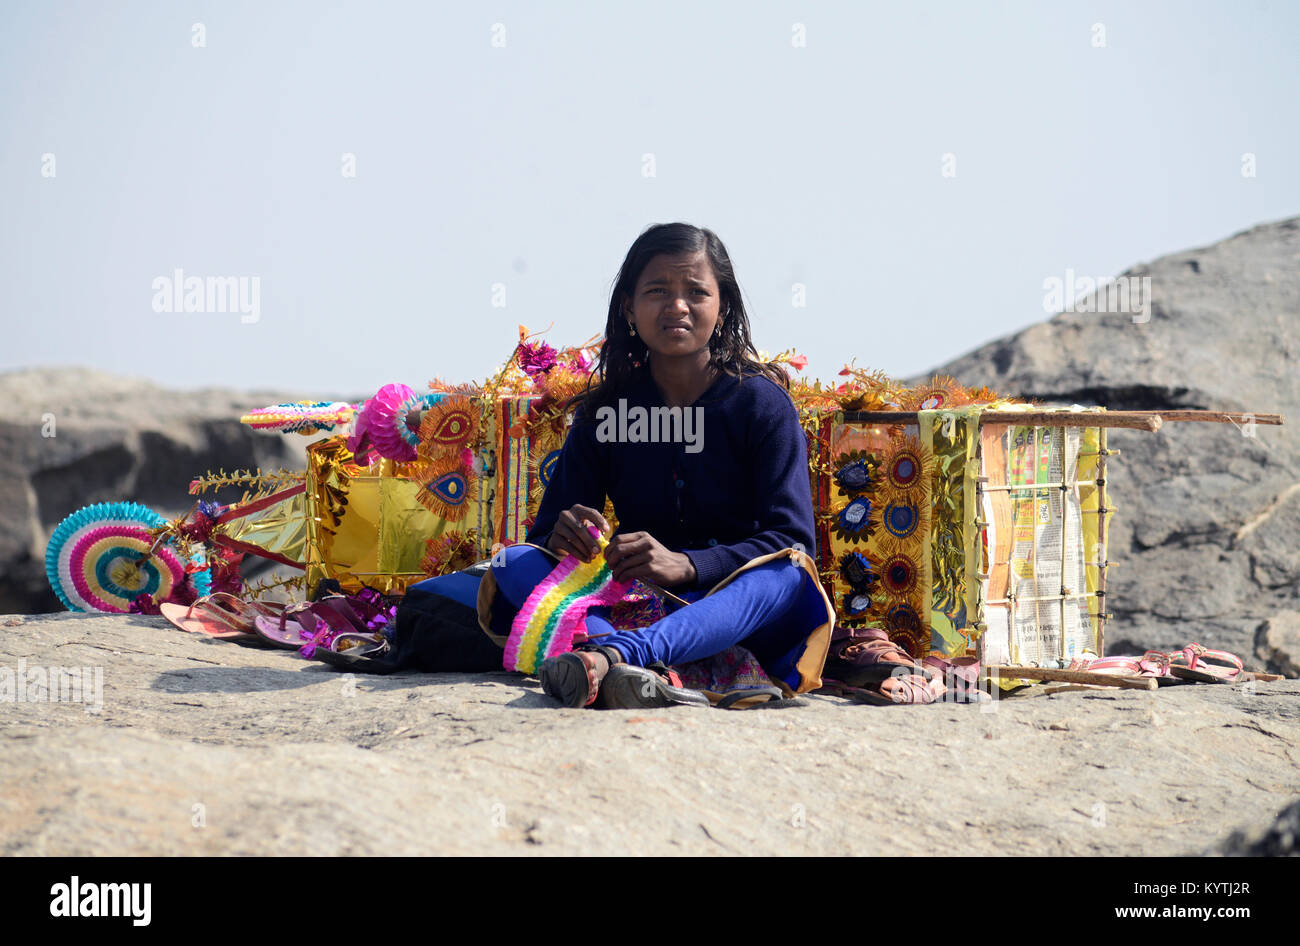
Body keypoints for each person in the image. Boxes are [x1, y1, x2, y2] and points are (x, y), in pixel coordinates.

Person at [477, 222, 835, 708]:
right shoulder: (606, 412)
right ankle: (645, 664)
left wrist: (687, 565)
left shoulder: (761, 406)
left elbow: (791, 540)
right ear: (629, 305)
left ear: (722, 305)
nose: (677, 306)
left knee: (789, 574)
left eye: (695, 292)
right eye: (657, 291)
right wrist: (568, 534)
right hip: (637, 603)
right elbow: (545, 538)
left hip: (740, 612)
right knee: (514, 562)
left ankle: (619, 655)